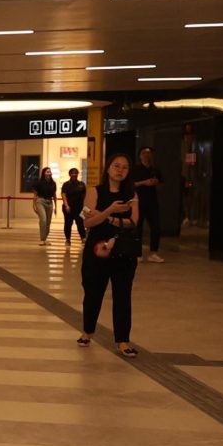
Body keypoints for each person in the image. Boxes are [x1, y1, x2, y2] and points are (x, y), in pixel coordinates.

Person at [78, 153, 141, 358]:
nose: (120, 170)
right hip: (97, 250)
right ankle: (87, 331)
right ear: (108, 168)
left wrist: (105, 217)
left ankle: (122, 340)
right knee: (93, 292)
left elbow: (133, 222)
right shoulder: (94, 191)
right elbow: (86, 222)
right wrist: (111, 211)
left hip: (123, 251)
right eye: (116, 166)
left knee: (123, 295)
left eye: (124, 167)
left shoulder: (132, 194)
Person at [132, 147, 166, 262]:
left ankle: (153, 253)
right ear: (140, 156)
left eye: (149, 153)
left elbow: (162, 185)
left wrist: (156, 183)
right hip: (139, 202)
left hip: (153, 202)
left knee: (156, 227)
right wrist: (144, 182)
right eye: (144, 153)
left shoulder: (155, 170)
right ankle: (137, 253)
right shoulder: (135, 170)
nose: (147, 155)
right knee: (138, 228)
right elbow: (131, 185)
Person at [60, 168, 87, 246]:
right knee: (68, 224)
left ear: (77, 174)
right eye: (72, 173)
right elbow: (63, 195)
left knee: (80, 223)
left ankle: (83, 238)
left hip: (79, 208)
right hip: (69, 208)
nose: (74, 174)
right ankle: (68, 239)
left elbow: (85, 196)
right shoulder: (66, 184)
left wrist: (85, 207)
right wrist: (66, 205)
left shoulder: (81, 184)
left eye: (75, 173)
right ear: (69, 174)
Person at [34, 167, 57, 244]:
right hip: (40, 201)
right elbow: (35, 195)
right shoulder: (39, 182)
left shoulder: (53, 183)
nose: (49, 173)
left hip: (49, 202)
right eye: (47, 172)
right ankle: (42, 239)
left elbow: (54, 195)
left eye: (49, 172)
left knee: (48, 221)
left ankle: (45, 238)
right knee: (43, 220)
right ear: (44, 173)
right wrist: (33, 205)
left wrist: (56, 207)